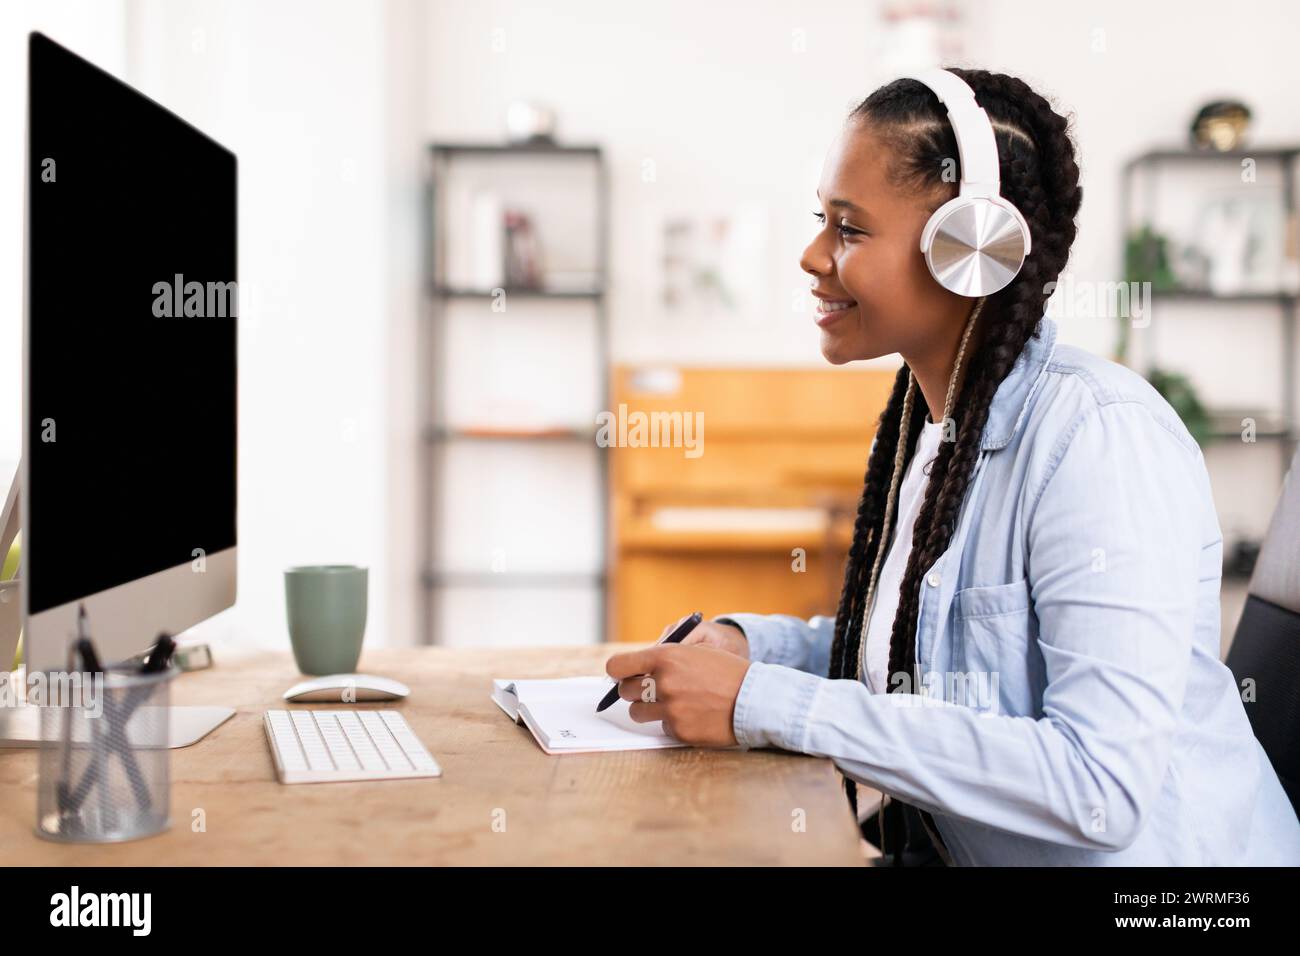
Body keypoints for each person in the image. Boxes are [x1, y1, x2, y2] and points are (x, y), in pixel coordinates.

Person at [604, 67, 1300, 866]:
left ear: (971, 250)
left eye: (850, 229)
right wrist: (749, 648)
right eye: (819, 221)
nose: (811, 255)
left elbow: (1099, 787)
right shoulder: (933, 432)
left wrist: (767, 704)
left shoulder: (1099, 439)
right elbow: (931, 653)